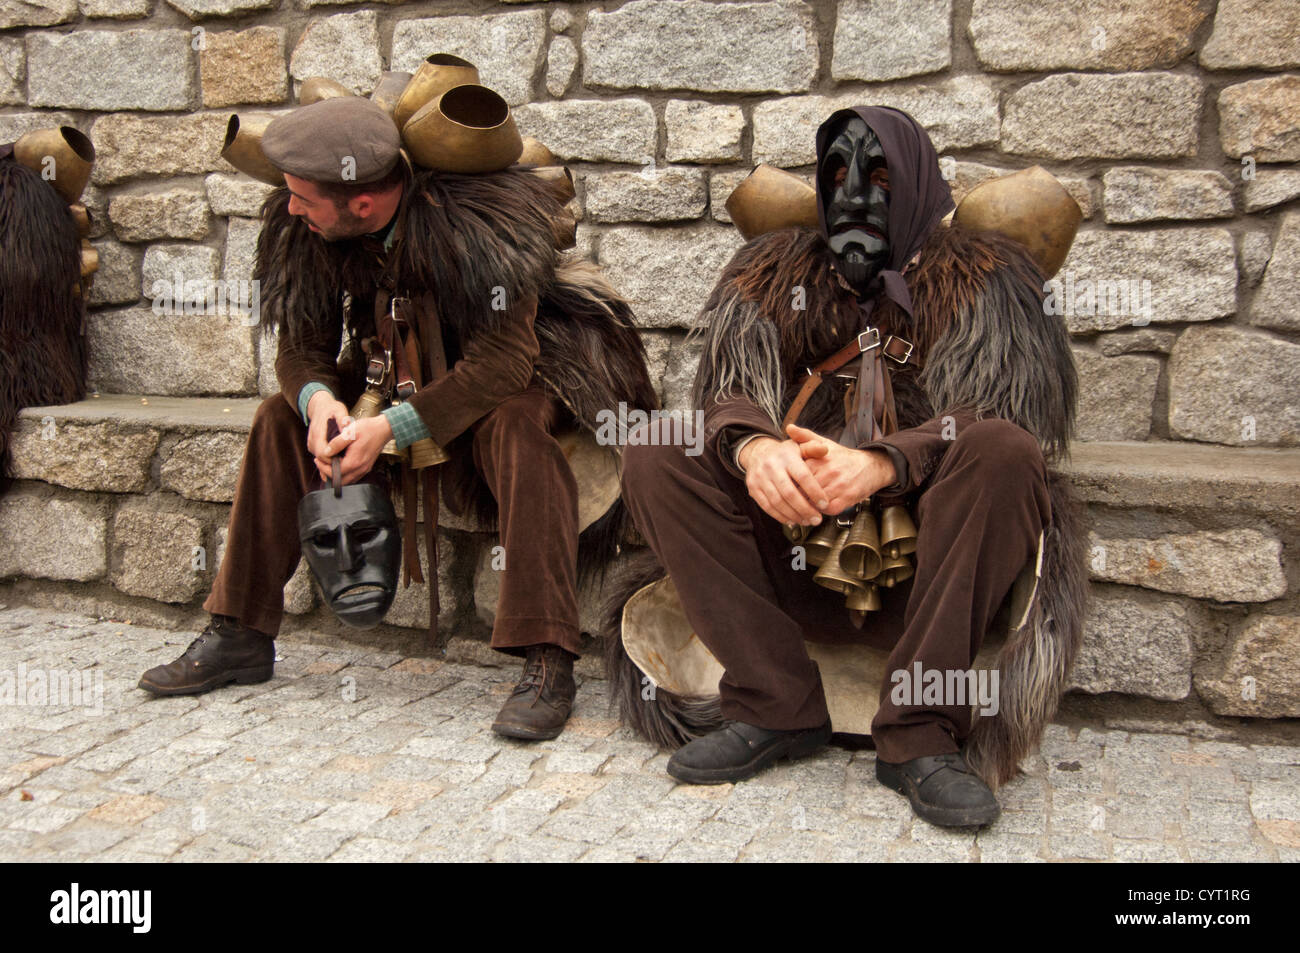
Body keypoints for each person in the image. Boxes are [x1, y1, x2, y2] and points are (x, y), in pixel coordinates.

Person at [613, 105, 1086, 827]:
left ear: (920, 183)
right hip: (792, 557)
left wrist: (882, 463)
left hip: (929, 581)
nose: (855, 194)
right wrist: (756, 446)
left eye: (880, 174)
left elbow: (1006, 412)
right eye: (837, 173)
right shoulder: (776, 277)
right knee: (657, 445)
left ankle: (920, 730)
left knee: (1004, 451)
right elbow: (730, 392)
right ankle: (776, 701)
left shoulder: (985, 284)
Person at [139, 96, 657, 743]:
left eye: (303, 197)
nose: (290, 206)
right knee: (277, 418)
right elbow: (301, 346)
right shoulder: (307, 228)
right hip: (395, 375)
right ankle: (239, 632)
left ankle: (548, 656)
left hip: (521, 374)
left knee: (519, 431)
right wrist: (319, 402)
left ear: (362, 202)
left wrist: (394, 428)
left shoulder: (482, 226)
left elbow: (504, 361)